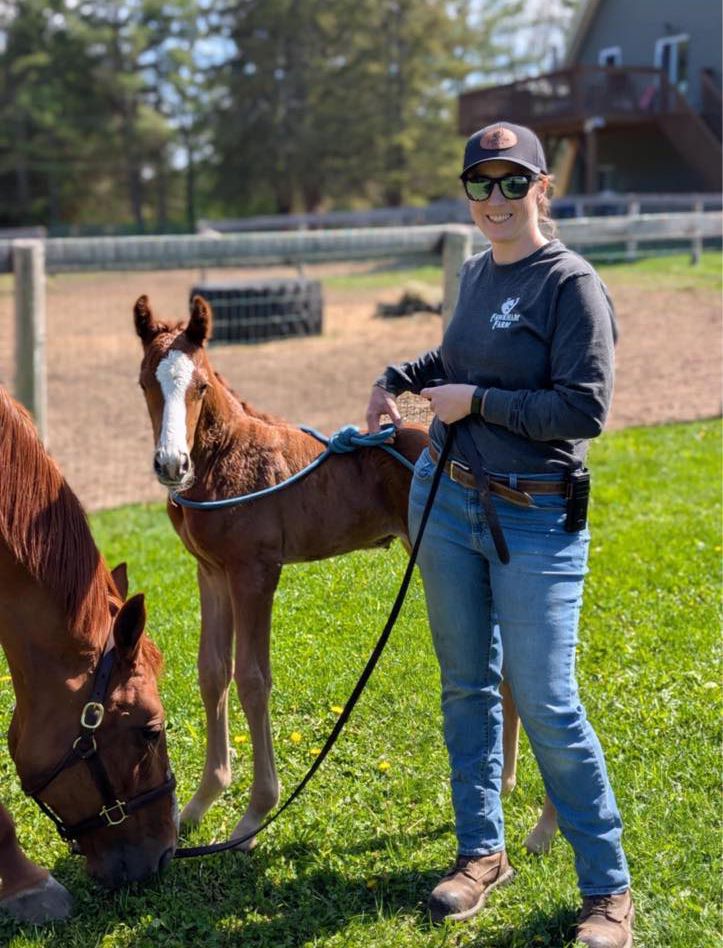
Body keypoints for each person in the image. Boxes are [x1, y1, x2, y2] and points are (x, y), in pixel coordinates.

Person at [366, 122, 633, 947]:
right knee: (465, 685)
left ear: (541, 188)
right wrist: (395, 381)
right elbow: (454, 356)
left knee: (547, 702)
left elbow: (582, 409)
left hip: (536, 515)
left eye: (511, 183)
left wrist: (475, 402)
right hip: (446, 504)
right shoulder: (478, 272)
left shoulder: (571, 285)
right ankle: (481, 852)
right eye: (480, 183)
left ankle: (607, 891)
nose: (495, 200)